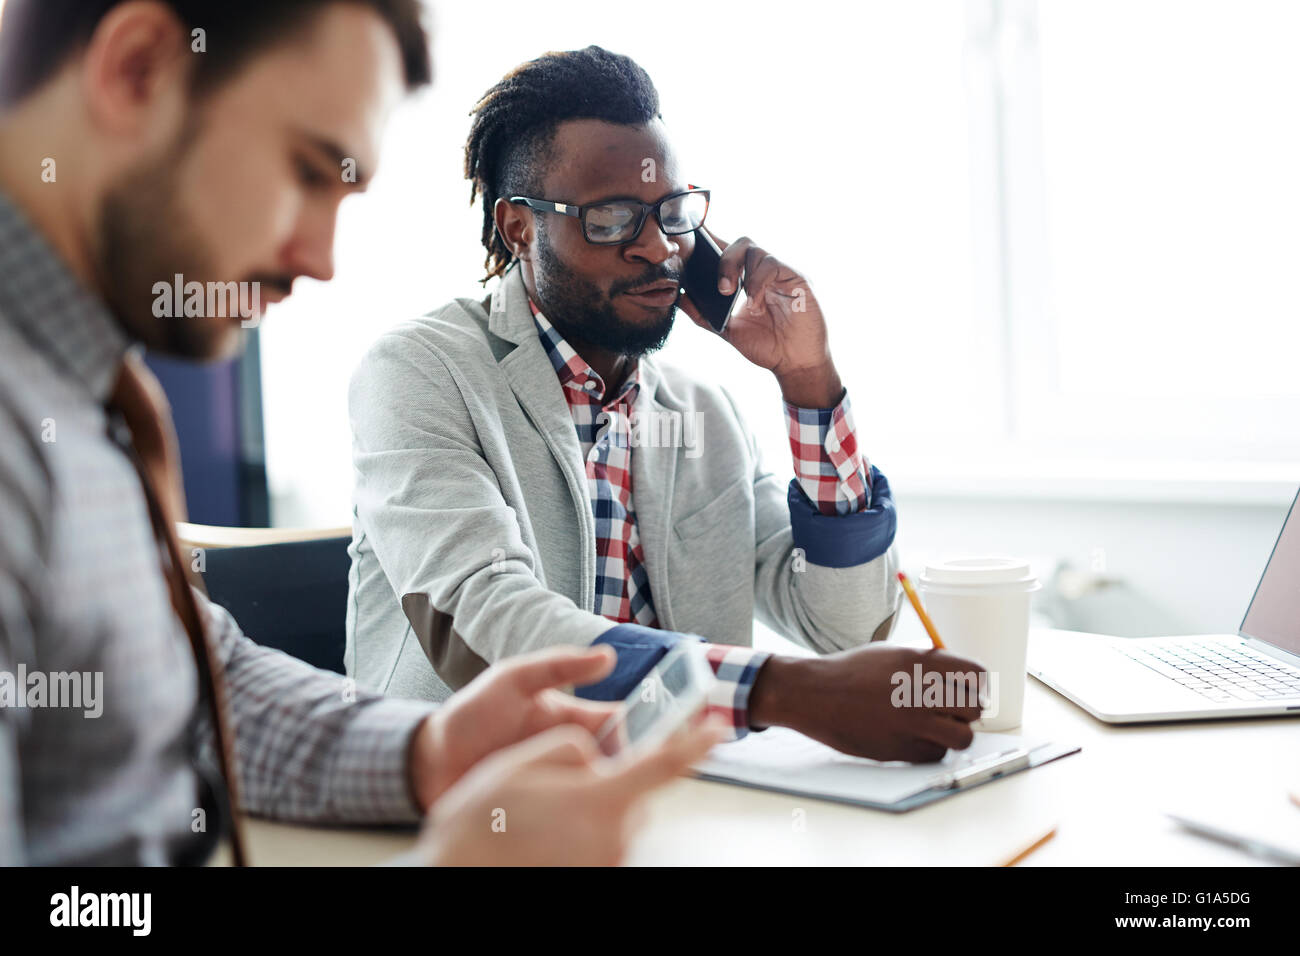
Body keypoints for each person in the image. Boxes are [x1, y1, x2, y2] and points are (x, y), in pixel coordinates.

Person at [0, 0, 721, 867]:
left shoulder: (76, 384)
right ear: (139, 68)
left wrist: (426, 754)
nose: (321, 259)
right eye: (307, 171)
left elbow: (199, 679)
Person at [347, 45, 985, 761]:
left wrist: (808, 378)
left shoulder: (701, 412)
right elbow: (483, 622)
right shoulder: (419, 372)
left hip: (682, 797)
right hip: (482, 801)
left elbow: (847, 627)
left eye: (671, 213)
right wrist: (784, 693)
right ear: (519, 228)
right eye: (613, 219)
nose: (657, 248)